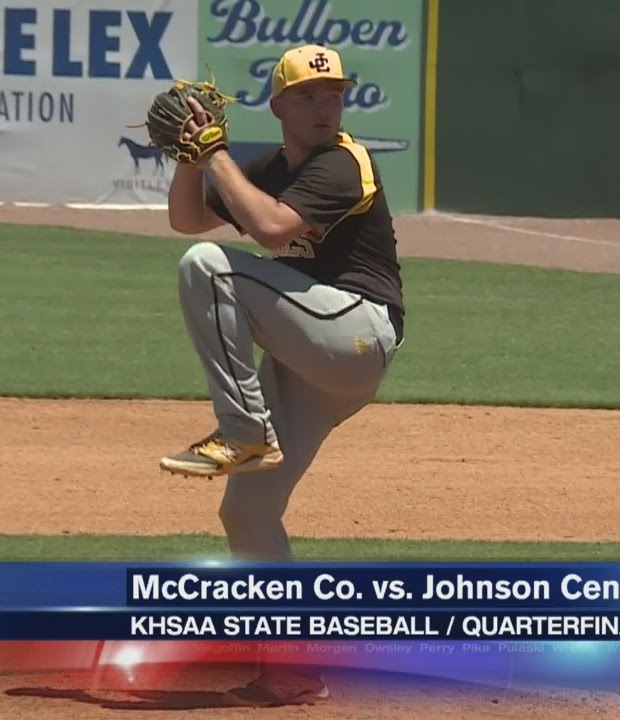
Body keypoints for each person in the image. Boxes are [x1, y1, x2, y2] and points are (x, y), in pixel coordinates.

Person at [160, 44, 406, 707]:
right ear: (279, 107)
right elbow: (188, 216)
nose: (326, 105)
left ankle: (241, 427)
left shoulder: (340, 163)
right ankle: (291, 668)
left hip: (355, 331)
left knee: (208, 265)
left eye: (334, 94)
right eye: (309, 96)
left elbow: (269, 230)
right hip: (312, 360)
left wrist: (216, 154)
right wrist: (190, 155)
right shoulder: (272, 167)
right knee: (248, 507)